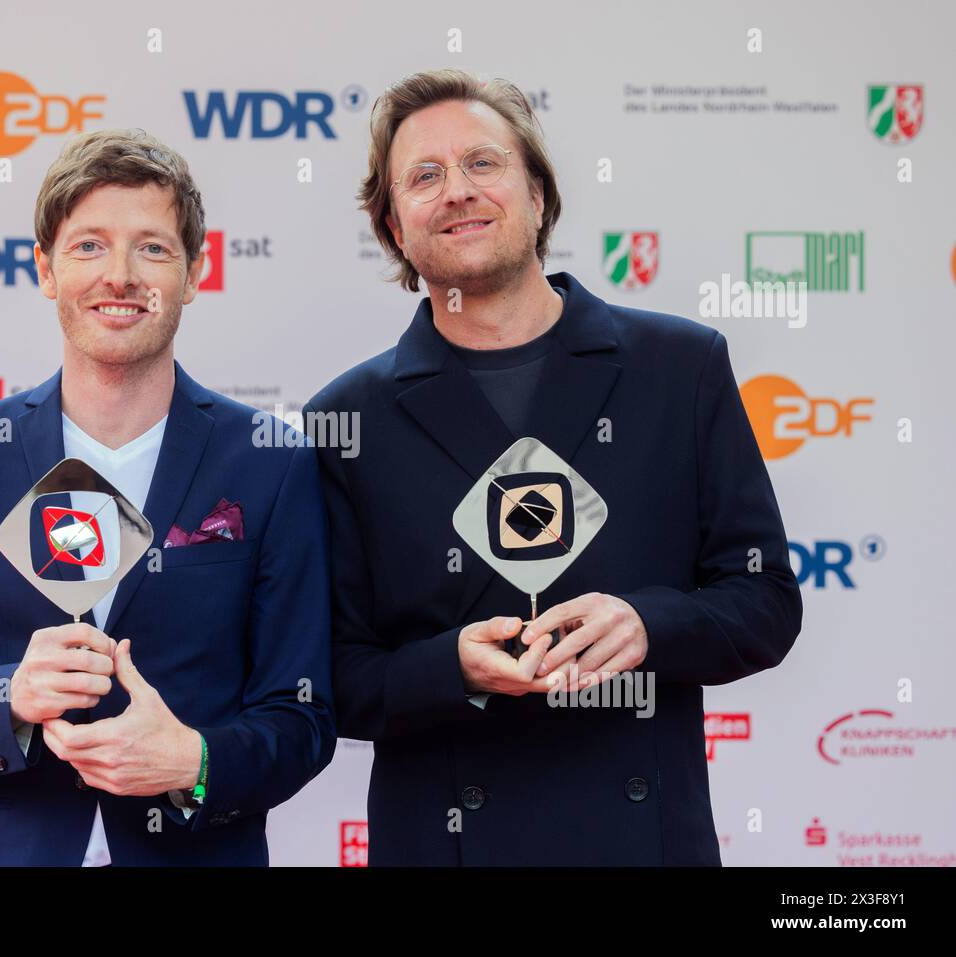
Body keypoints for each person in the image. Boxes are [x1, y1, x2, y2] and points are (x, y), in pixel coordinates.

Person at [306, 69, 802, 865]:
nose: (458, 191)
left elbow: (766, 602)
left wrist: (648, 625)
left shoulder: (680, 368)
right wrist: (450, 668)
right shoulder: (346, 419)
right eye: (425, 177)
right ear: (394, 226)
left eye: (483, 163)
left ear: (538, 194)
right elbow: (328, 678)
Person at [0, 129, 335, 866]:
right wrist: (9, 696)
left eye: (151, 247)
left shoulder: (269, 462)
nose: (119, 275)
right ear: (46, 269)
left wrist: (196, 761)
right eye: (88, 247)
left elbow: (302, 716)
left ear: (194, 271)